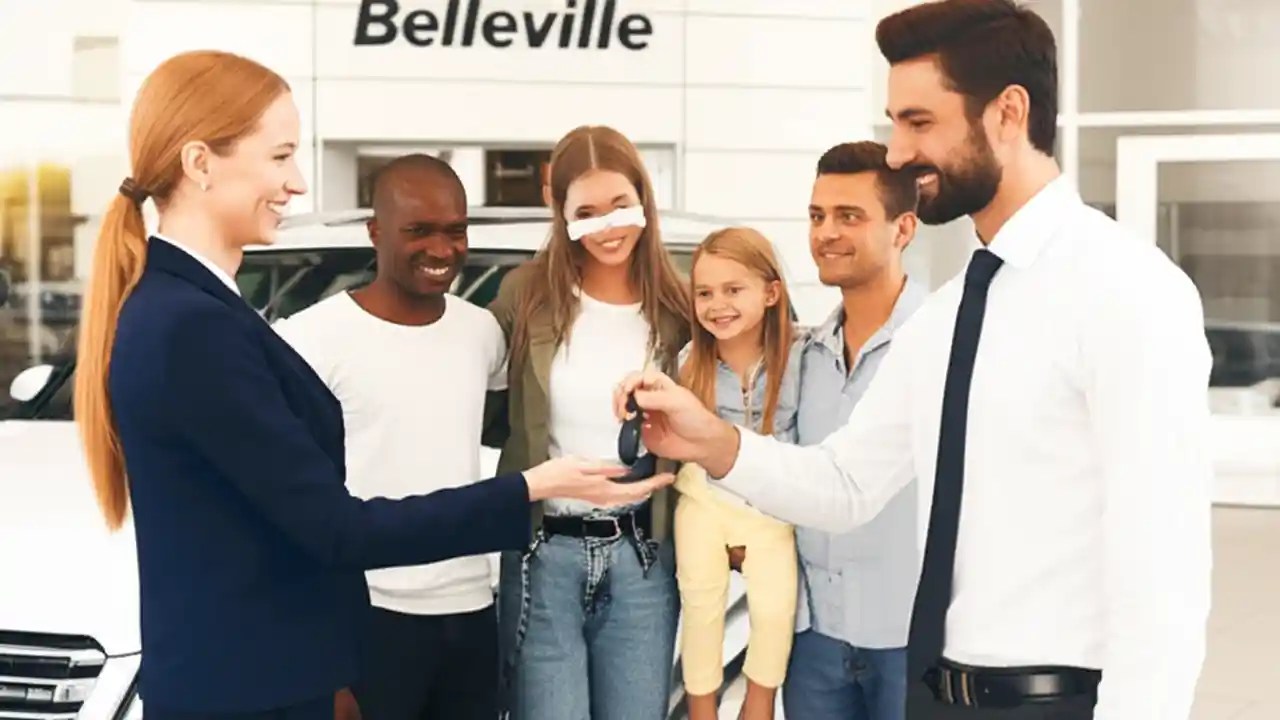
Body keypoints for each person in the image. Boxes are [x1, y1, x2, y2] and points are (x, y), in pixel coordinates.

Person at [612, 1, 1214, 718]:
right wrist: (709, 440)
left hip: (1060, 704)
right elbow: (845, 484)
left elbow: (1163, 572)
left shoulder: (1128, 291)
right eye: (894, 122)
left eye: (918, 122)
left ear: (1008, 114)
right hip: (937, 697)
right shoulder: (951, 314)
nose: (896, 154)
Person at [73, 50, 669, 720]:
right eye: (280, 156)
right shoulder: (191, 328)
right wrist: (534, 486)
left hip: (266, 679)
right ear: (200, 163)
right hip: (248, 693)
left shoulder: (199, 311)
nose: (297, 183)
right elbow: (334, 529)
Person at [273, 154, 509, 719]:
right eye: (419, 231)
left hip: (473, 611)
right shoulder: (309, 340)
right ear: (375, 233)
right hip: (364, 617)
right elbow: (284, 509)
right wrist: (320, 660)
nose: (443, 249)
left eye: (456, 231)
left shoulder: (481, 332)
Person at [489, 124, 690, 720]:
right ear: (562, 214)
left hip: (641, 556)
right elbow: (476, 390)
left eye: (620, 206)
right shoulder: (527, 295)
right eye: (587, 211)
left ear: (644, 203)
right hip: (544, 551)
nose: (607, 226)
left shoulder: (678, 308)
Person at [782, 141, 926, 720]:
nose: (826, 233)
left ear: (903, 229)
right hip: (815, 637)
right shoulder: (803, 356)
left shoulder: (941, 344)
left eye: (849, 217)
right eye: (817, 216)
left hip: (913, 642)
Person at [672, 227, 804, 720]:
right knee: (702, 604)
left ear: (771, 293)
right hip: (705, 499)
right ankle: (701, 710)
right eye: (704, 293)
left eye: (733, 290)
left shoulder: (799, 358)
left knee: (773, 610)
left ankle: (759, 706)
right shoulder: (690, 362)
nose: (717, 305)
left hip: (771, 509)